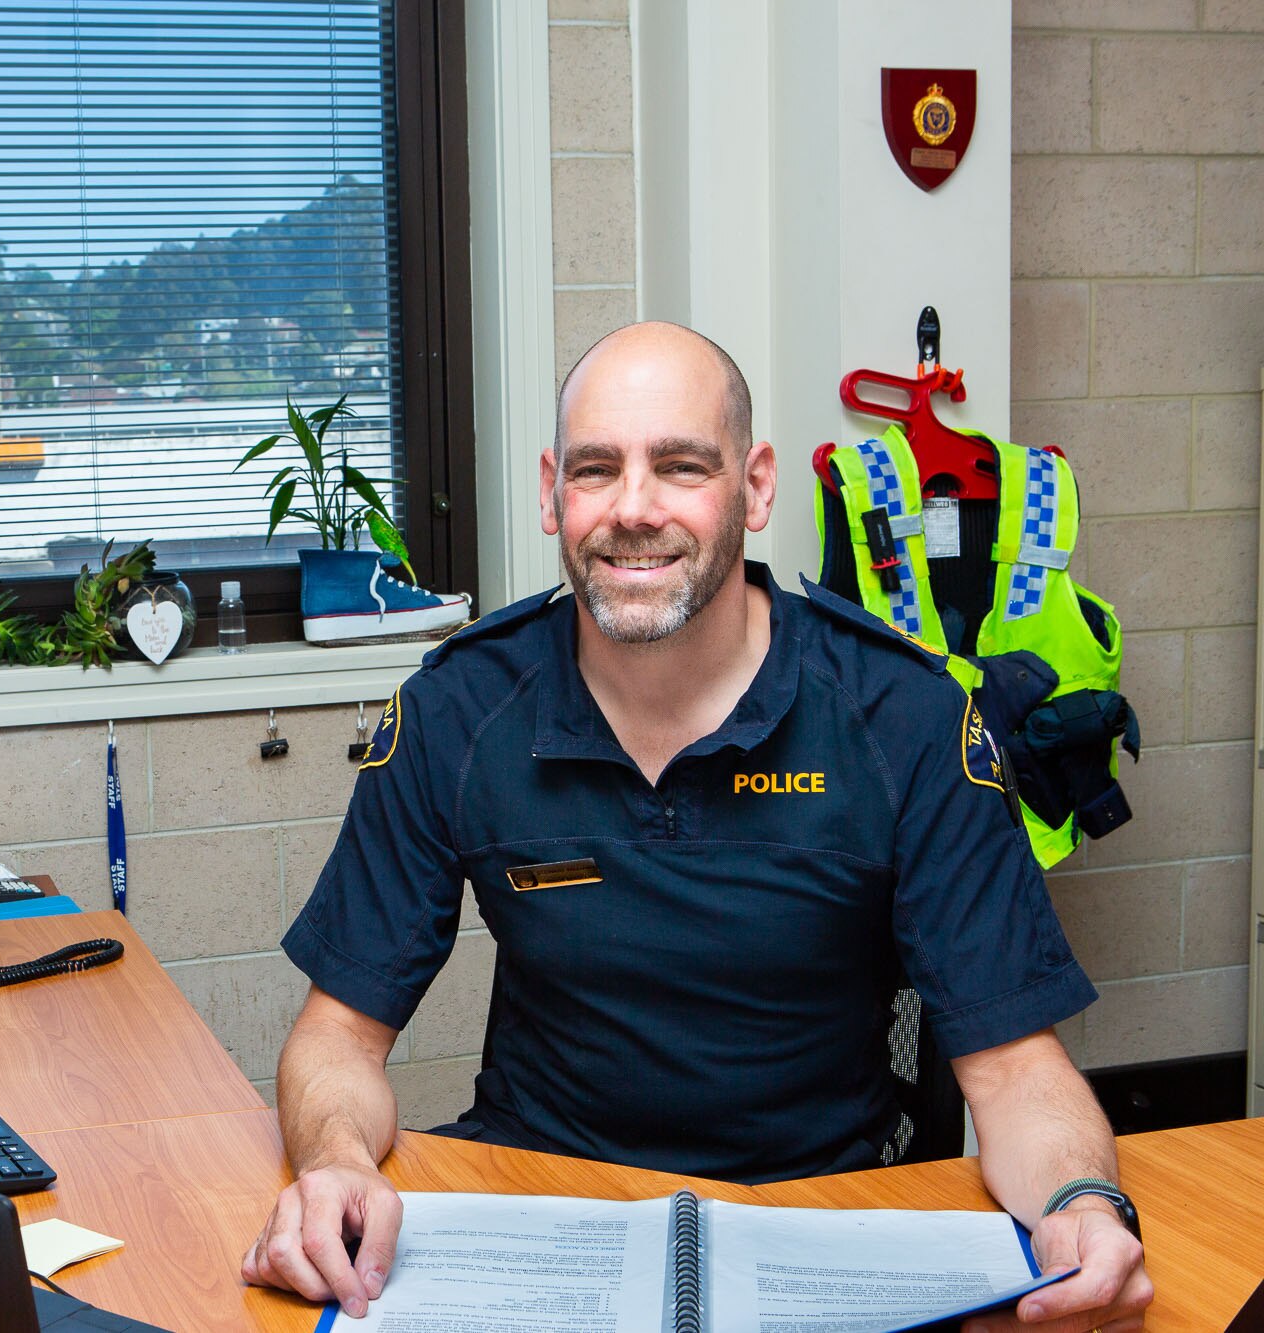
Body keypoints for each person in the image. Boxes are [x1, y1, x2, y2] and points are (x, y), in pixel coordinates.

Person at [240, 322, 1153, 1330]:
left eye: (679, 466)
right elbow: (336, 1035)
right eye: (595, 470)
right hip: (538, 1218)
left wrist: (1082, 1202)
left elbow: (1018, 1071)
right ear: (552, 491)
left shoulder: (905, 719)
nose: (633, 510)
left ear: (753, 487)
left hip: (813, 1225)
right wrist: (329, 1164)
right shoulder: (459, 710)